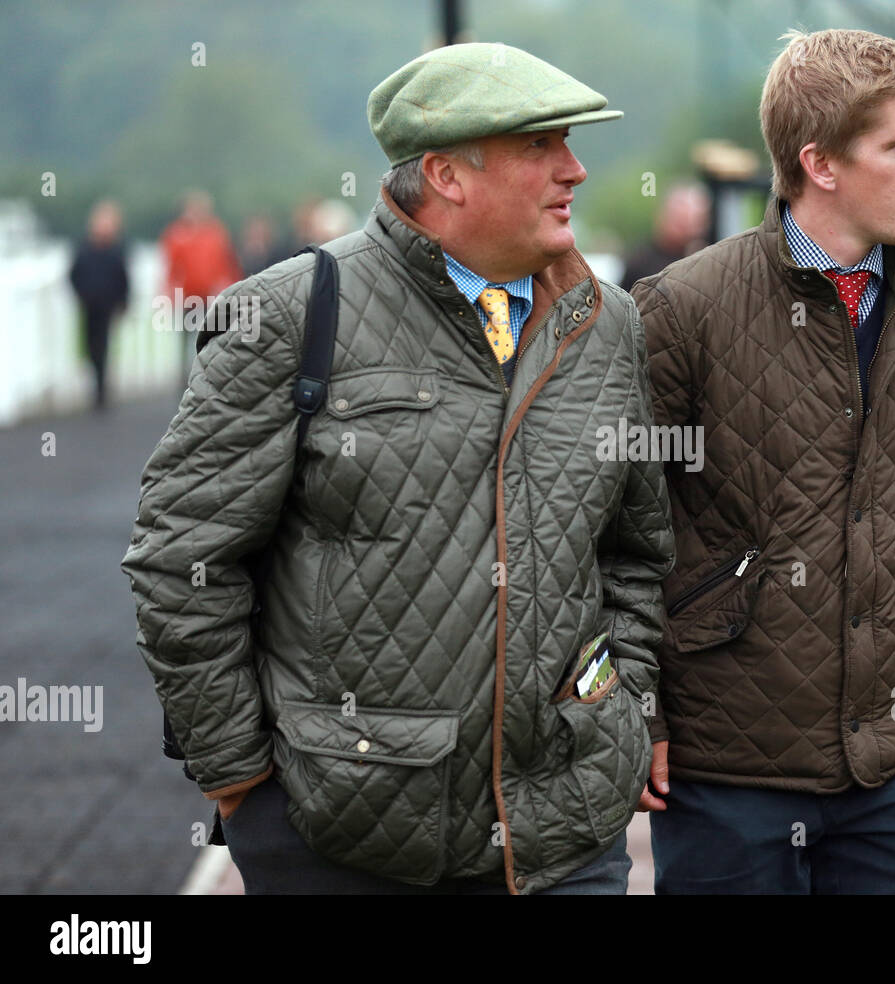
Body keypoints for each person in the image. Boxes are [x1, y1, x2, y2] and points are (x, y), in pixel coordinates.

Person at [121, 43, 674, 895]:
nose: (576, 170)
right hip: (343, 842)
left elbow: (635, 555)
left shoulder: (608, 327)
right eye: (541, 146)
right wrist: (238, 785)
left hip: (567, 843)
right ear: (447, 174)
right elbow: (181, 564)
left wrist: (618, 708)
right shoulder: (291, 313)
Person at [631, 28, 895, 894]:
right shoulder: (682, 308)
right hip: (729, 773)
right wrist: (638, 712)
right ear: (821, 163)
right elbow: (616, 528)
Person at [159, 190, 242, 385]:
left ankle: (208, 376)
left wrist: (232, 289)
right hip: (187, 296)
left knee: (212, 337)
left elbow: (227, 263)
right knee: (186, 338)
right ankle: (184, 379)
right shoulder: (177, 234)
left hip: (210, 297)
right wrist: (170, 292)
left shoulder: (215, 233)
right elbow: (171, 267)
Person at [68, 199, 130, 410]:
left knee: (102, 344)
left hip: (107, 304)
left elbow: (124, 278)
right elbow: (73, 274)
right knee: (89, 344)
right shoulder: (84, 248)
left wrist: (123, 301)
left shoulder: (116, 250)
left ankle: (101, 390)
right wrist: (80, 294)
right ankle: (97, 384)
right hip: (88, 304)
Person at [619, 182, 710, 290]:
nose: (686, 228)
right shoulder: (640, 260)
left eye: (693, 220)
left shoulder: (706, 260)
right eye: (680, 220)